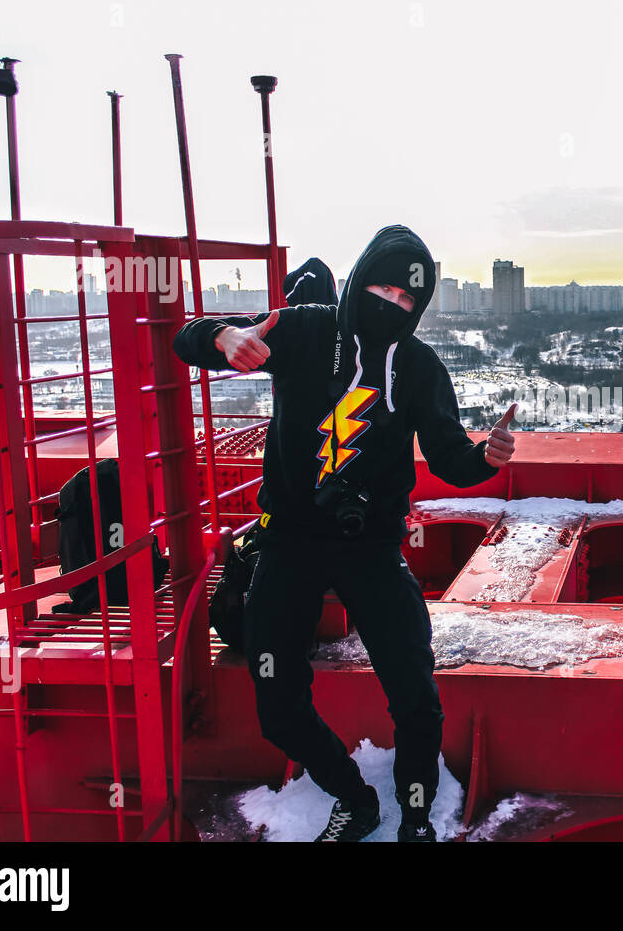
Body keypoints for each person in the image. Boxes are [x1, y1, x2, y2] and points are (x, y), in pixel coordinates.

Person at [172, 224, 516, 842]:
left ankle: (415, 816)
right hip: (288, 544)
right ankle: (353, 799)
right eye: (383, 287)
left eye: (408, 300)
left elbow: (446, 458)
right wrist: (224, 335)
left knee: (413, 690)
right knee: (277, 699)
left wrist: (484, 457)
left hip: (374, 548)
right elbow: (186, 339)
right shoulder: (304, 329)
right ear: (359, 279)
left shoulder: (416, 367)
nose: (392, 305)